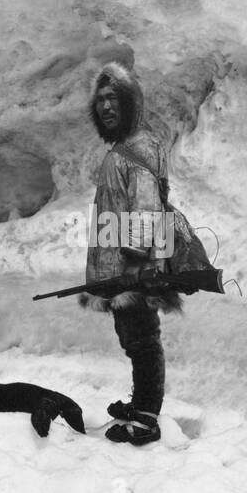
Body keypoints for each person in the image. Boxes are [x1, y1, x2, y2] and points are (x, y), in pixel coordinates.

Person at [82, 61, 178, 445]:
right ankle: (140, 402)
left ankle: (146, 418)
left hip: (135, 266)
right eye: (100, 99)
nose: (106, 106)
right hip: (123, 265)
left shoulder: (140, 146)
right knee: (131, 335)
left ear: (130, 102)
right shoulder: (125, 147)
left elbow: (146, 206)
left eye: (113, 98)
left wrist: (137, 261)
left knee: (142, 339)